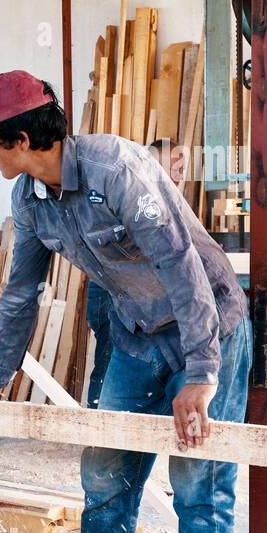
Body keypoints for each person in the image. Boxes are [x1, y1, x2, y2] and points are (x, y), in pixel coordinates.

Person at [0, 71, 250, 533]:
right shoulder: (29, 199)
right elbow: (21, 294)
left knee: (198, 483)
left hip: (207, 326)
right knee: (106, 469)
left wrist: (202, 373)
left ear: (20, 139)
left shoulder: (116, 171)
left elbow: (183, 266)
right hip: (136, 332)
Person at [84, 137, 189, 407]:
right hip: (112, 290)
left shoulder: (164, 199)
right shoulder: (126, 191)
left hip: (137, 295)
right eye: (166, 167)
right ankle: (99, 426)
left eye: (179, 169)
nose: (173, 176)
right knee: (111, 354)